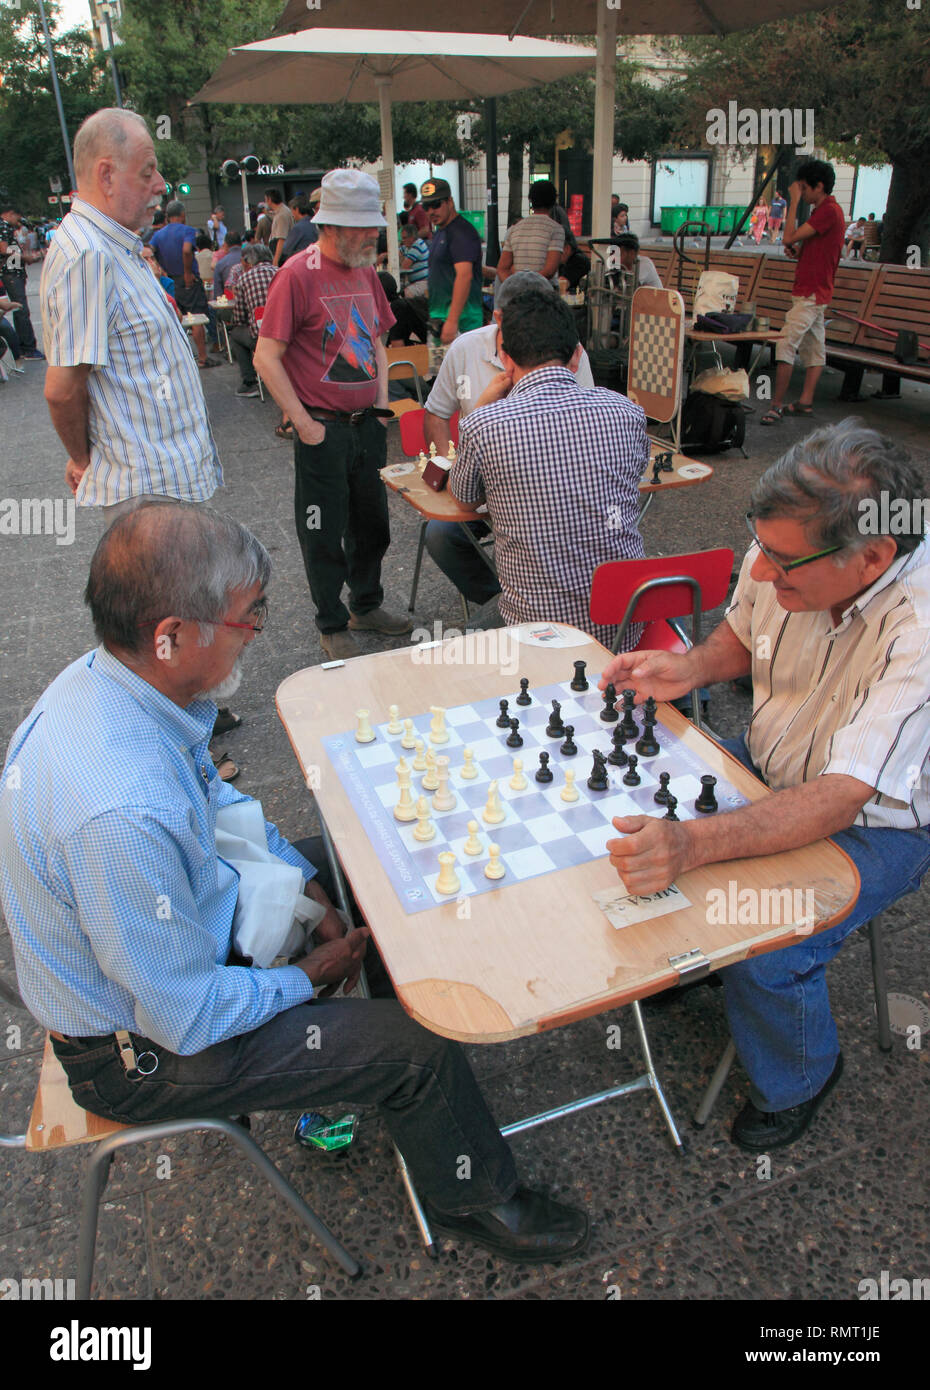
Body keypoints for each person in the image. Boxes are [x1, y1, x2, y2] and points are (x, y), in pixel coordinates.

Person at [0, 502, 588, 1265]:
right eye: (248, 617)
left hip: (176, 944)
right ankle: (480, 1200)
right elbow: (184, 1015)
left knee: (364, 864)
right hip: (139, 1052)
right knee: (416, 1051)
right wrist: (310, 977)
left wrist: (305, 894)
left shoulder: (116, 684)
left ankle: (386, 992)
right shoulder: (118, 810)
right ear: (169, 635)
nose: (260, 631)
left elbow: (217, 811)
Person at [600, 420, 930, 1149]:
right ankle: (696, 957)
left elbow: (846, 794)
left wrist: (691, 846)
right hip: (770, 759)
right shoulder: (791, 540)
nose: (759, 574)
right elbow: (743, 634)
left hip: (883, 824)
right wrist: (690, 669)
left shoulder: (922, 628)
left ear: (873, 557)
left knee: (770, 945)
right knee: (640, 802)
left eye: (782, 564)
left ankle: (802, 1075)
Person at [40, 108, 237, 777]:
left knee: (182, 614)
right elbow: (63, 388)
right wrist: (85, 459)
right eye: (147, 169)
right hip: (146, 488)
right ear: (106, 172)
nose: (159, 183)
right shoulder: (90, 254)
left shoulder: (109, 245)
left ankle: (188, 733)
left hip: (166, 482)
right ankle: (177, 755)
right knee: (166, 628)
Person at [254, 168, 414, 662]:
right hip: (322, 428)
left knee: (373, 525)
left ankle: (366, 604)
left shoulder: (365, 269)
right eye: (366, 227)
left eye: (374, 226)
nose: (374, 235)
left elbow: (380, 343)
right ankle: (330, 619)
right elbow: (265, 356)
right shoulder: (296, 275)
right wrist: (304, 423)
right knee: (322, 529)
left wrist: (383, 407)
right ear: (334, 225)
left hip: (367, 425)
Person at [447, 287, 647, 646]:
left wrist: (479, 407)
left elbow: (462, 501)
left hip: (539, 631)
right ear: (576, 355)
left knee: (467, 638)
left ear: (506, 359)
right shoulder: (627, 411)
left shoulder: (485, 424)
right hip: (625, 622)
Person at [423, 271, 596, 606]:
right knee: (442, 535)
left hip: (547, 489)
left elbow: (581, 422)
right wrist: (450, 462)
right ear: (498, 318)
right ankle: (504, 601)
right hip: (481, 488)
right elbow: (436, 414)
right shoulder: (466, 349)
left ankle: (523, 606)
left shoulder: (564, 352)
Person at [760, 160, 846, 425]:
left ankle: (775, 405)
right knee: (815, 348)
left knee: (786, 344)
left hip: (811, 293)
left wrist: (793, 202)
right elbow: (814, 248)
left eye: (805, 188)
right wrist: (800, 253)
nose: (803, 193)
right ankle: (805, 401)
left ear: (818, 187)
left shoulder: (828, 210)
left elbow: (787, 237)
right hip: (816, 291)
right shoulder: (827, 211)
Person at [421, 176, 483, 369]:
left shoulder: (461, 232)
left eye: (436, 205)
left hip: (460, 323)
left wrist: (452, 321)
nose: (431, 211)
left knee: (463, 383)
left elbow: (464, 275)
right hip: (440, 321)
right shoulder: (441, 231)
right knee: (441, 381)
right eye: (427, 207)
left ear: (450, 201)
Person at [150, 200, 219, 369]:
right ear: (182, 215)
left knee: (175, 319)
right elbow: (187, 249)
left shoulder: (158, 235)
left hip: (170, 279)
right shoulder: (188, 231)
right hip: (187, 280)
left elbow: (150, 251)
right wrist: (187, 273)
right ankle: (203, 357)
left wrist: (162, 268)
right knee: (196, 318)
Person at [495, 180, 565, 293]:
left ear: (531, 200)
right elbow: (550, 270)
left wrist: (516, 287)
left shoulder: (515, 228)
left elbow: (502, 268)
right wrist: (530, 287)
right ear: (554, 201)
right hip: (544, 294)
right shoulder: (556, 229)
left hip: (517, 296)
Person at [228, 242, 277, 396]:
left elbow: (239, 317)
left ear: (251, 260)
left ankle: (249, 382)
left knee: (235, 334)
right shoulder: (282, 272)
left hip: (262, 338)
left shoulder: (244, 278)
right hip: (289, 335)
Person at [0, 205, 45, 360]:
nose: (18, 221)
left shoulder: (4, 226)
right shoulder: (3, 226)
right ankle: (27, 348)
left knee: (20, 308)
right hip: (10, 273)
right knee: (21, 308)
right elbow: (4, 249)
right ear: (11, 213)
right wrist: (25, 258)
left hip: (12, 271)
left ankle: (25, 346)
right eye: (17, 217)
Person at [279, 192, 320, 263]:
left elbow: (286, 249)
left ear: (297, 209)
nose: (292, 215)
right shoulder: (317, 224)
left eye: (292, 210)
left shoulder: (298, 228)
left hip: (304, 263)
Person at [266, 189, 294, 264]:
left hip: (282, 255)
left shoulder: (282, 214)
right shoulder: (281, 212)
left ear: (269, 199)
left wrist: (276, 259)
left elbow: (281, 239)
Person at [213, 231, 243, 299]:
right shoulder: (252, 258)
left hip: (230, 305)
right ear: (241, 243)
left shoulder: (221, 264)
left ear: (225, 245)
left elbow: (218, 295)